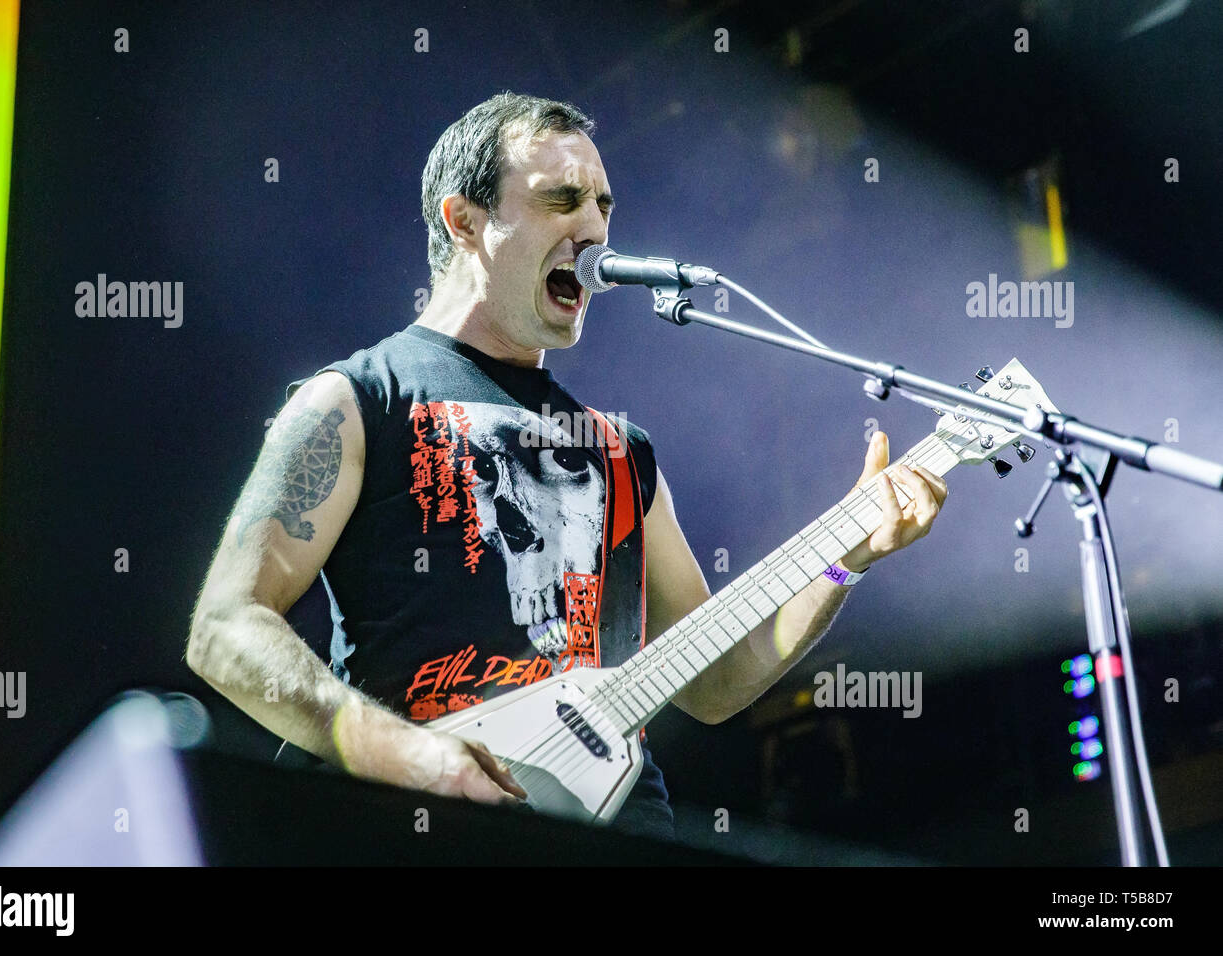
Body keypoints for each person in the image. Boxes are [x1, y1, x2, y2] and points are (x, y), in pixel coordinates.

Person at [185, 92, 948, 842]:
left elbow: (719, 683)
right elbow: (224, 628)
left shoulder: (621, 452)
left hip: (614, 822)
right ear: (466, 222)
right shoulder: (357, 401)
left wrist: (847, 558)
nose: (593, 229)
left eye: (604, 207)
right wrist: (405, 755)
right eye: (561, 200)